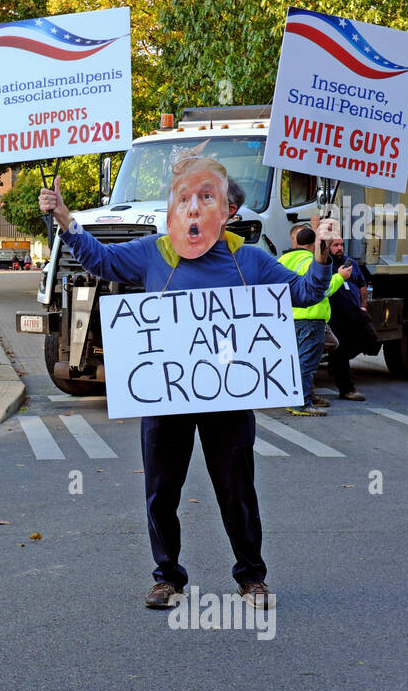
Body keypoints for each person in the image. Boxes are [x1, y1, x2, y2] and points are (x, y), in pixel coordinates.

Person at [38, 156, 333, 610]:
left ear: (228, 211)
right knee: (160, 491)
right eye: (182, 199)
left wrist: (323, 255)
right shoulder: (153, 253)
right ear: (172, 210)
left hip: (228, 400)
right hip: (165, 397)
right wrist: (64, 219)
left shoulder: (248, 260)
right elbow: (101, 260)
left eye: (206, 197)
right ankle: (167, 579)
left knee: (236, 491)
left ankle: (252, 578)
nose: (193, 208)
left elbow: (307, 293)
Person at [279, 222, 347, 416]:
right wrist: (340, 277)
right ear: (312, 244)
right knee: (306, 363)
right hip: (310, 318)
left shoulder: (282, 260)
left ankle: (298, 397)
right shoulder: (313, 262)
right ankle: (301, 404)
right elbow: (322, 288)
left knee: (295, 361)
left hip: (287, 319)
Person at [324, 230, 380, 401]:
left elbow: (362, 285)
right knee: (340, 348)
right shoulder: (326, 264)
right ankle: (347, 388)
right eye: (335, 245)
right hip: (337, 315)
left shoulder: (351, 263)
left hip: (356, 312)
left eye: (341, 244)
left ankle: (335, 362)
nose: (339, 248)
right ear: (328, 247)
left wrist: (363, 306)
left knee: (372, 342)